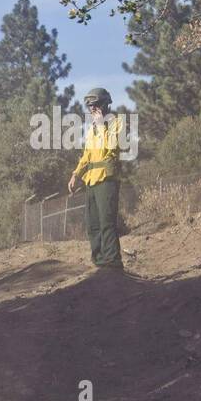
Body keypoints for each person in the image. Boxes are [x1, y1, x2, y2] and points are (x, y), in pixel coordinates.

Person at [67, 87, 125, 271]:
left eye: (96, 105)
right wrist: (76, 174)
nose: (93, 109)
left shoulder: (117, 122)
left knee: (107, 222)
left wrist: (102, 126)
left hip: (107, 179)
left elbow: (113, 148)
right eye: (90, 106)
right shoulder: (91, 129)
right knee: (93, 224)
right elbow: (87, 155)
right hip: (91, 181)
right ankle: (100, 263)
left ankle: (113, 263)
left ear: (106, 104)